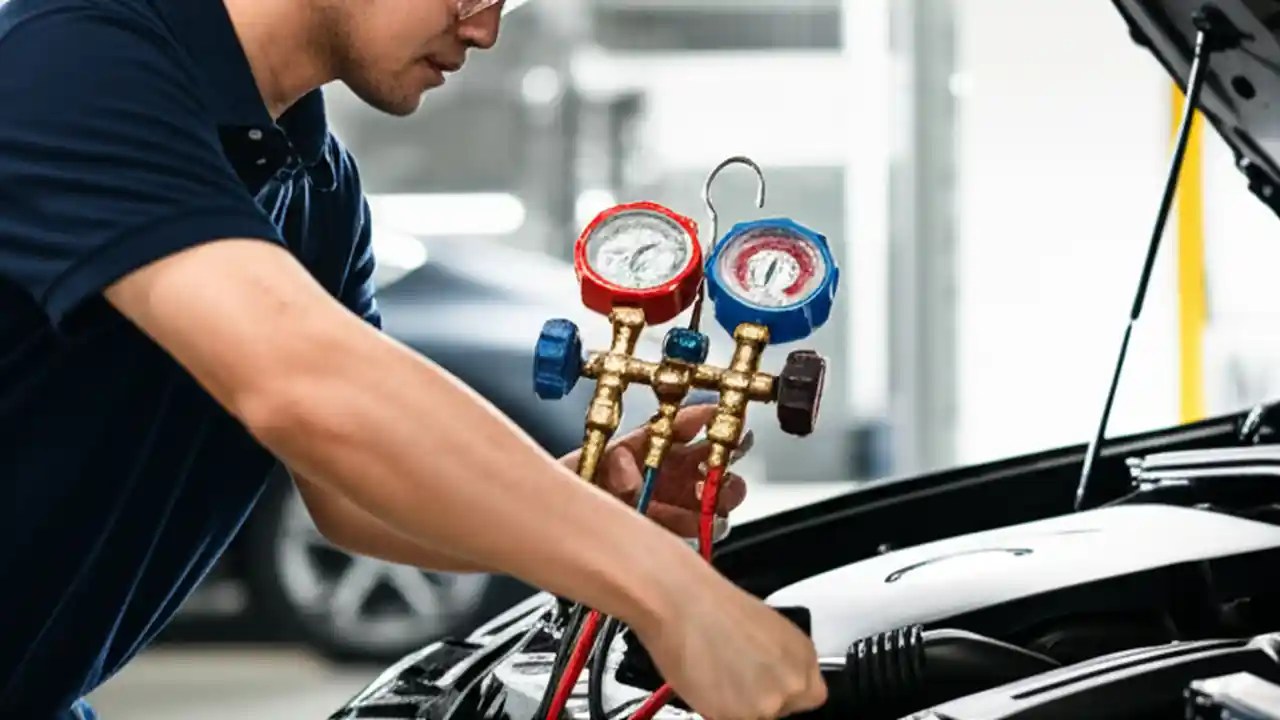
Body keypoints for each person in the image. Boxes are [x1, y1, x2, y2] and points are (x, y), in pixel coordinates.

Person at [0, 0, 829, 718]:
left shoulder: (316, 190)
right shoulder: (67, 58)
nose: (486, 30)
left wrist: (583, 500)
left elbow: (349, 497)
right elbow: (302, 382)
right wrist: (667, 591)